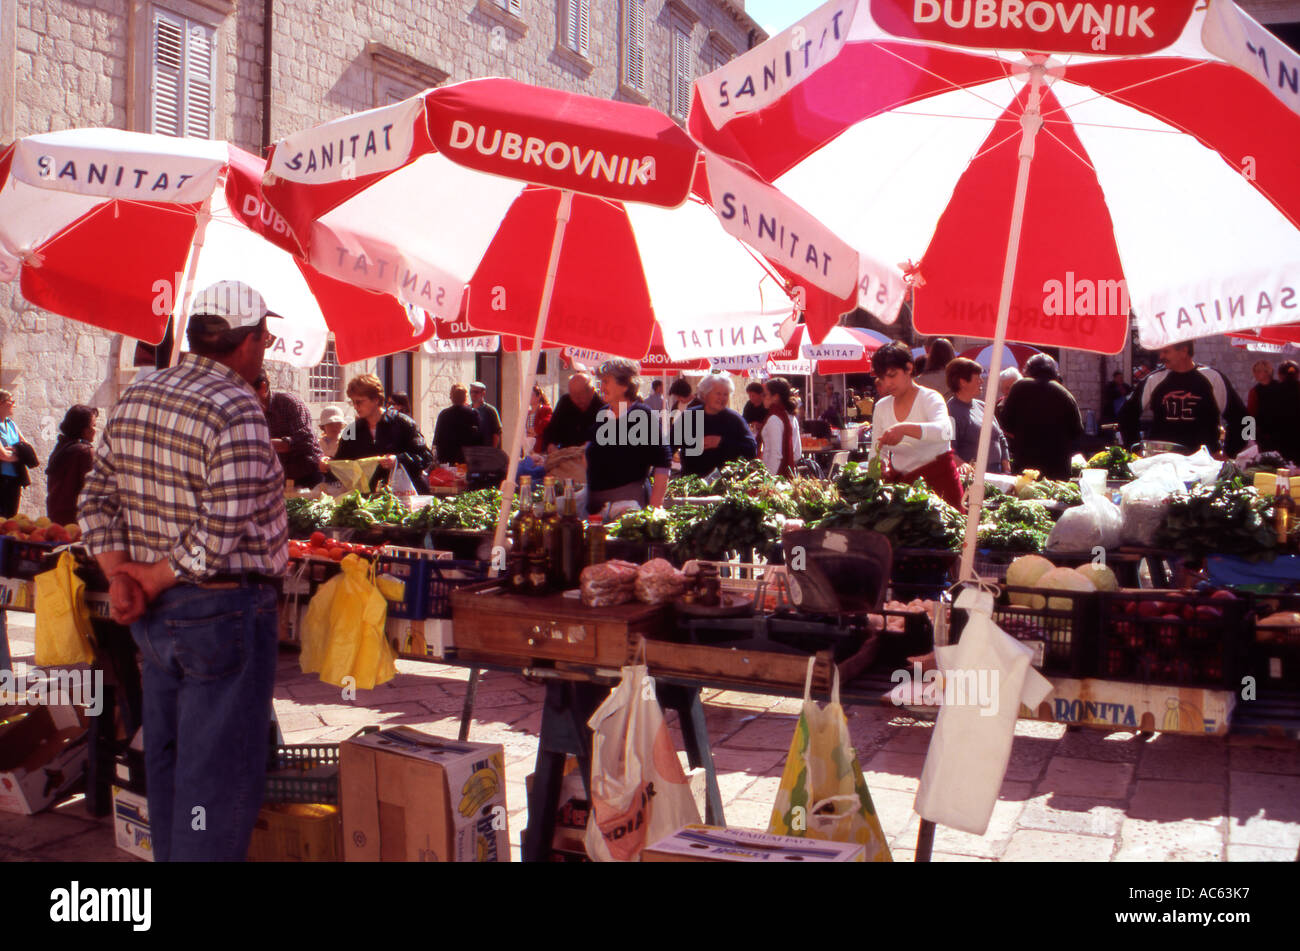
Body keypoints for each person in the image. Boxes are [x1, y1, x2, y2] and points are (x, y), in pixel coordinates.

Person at [78, 280, 287, 862]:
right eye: (265, 336)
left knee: (171, 764)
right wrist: (143, 578)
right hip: (220, 613)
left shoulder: (139, 396)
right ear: (245, 344)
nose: (266, 346)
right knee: (213, 778)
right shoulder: (238, 406)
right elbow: (217, 534)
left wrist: (122, 572)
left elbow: (95, 501)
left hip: (160, 622)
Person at [868, 342, 964, 510]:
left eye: (892, 375)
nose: (888, 383)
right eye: (883, 378)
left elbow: (945, 430)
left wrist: (904, 429)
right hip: (902, 491)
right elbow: (877, 448)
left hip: (940, 487)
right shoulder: (882, 406)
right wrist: (879, 465)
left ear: (909, 368)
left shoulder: (930, 398)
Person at [1118, 341, 1247, 457]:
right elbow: (1126, 415)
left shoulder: (1213, 378)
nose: (1161, 357)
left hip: (1203, 465)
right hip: (1162, 464)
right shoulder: (1154, 379)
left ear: (1184, 351)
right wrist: (1134, 449)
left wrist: (1230, 453)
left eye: (1166, 351)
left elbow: (1246, 419)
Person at [585, 359, 670, 513]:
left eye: (606, 382)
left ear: (624, 385)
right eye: (601, 382)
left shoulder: (641, 415)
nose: (601, 387)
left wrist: (655, 508)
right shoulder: (603, 414)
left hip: (627, 505)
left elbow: (663, 462)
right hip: (595, 506)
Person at [331, 373, 435, 493]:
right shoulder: (352, 431)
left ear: (375, 399)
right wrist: (327, 465)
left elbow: (425, 457)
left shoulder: (403, 424)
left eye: (359, 402)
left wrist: (398, 460)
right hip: (368, 501)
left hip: (402, 498)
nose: (355, 406)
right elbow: (341, 464)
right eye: (353, 402)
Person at [1000, 354, 1084, 479]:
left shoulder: (1020, 387)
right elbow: (1077, 431)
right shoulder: (1064, 394)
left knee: (1026, 497)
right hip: (1057, 467)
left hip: (1026, 463)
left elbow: (1005, 422)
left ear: (1028, 370)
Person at [678, 373, 757, 478]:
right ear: (705, 394)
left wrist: (721, 442)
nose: (722, 398)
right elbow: (670, 445)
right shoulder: (690, 416)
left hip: (725, 483)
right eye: (718, 393)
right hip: (692, 481)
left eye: (726, 394)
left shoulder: (735, 419)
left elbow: (751, 449)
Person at [253, 371, 323, 489]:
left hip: (307, 478)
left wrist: (268, 445)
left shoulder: (288, 403)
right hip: (275, 482)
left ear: (263, 387)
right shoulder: (249, 412)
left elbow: (306, 440)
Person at [945, 358, 1010, 476]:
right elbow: (947, 448)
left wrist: (1006, 468)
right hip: (974, 478)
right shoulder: (950, 411)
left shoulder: (983, 406)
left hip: (998, 473)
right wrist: (963, 466)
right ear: (962, 382)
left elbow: (1000, 437)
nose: (981, 381)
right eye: (977, 378)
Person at [45, 405, 99, 526]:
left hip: (56, 519)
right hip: (77, 523)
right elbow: (93, 491)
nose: (96, 430)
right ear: (84, 430)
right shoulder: (85, 452)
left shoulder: (61, 447)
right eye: (93, 426)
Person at [539, 373, 606, 452]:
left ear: (592, 391)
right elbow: (551, 430)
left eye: (581, 394)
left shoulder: (603, 408)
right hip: (565, 456)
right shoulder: (565, 402)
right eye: (573, 395)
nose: (577, 399)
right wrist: (550, 445)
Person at [0, 389, 39, 518]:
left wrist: (13, 450)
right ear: (2, 403)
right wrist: (19, 453)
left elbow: (27, 447)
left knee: (11, 518)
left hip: (15, 479)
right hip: (1, 479)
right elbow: (3, 455)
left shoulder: (11, 424)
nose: (14, 405)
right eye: (12, 401)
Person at [759, 377, 804, 478]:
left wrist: (769, 481)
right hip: (787, 476)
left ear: (775, 397)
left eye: (765, 394)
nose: (762, 398)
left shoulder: (774, 419)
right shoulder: (791, 417)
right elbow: (797, 454)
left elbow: (775, 455)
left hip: (774, 478)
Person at [432, 384, 483, 466]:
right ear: (465, 398)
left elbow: (437, 439)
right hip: (466, 459)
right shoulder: (473, 414)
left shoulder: (444, 414)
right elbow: (479, 438)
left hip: (447, 458)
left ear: (451, 398)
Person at [1246, 361, 1284, 454]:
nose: (1255, 373)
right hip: (1263, 434)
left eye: (1259, 371)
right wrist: (1248, 436)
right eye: (1254, 371)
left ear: (1268, 372)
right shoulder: (1254, 391)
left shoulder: (1282, 387)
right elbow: (1250, 413)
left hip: (1282, 432)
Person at [469, 381, 502, 449]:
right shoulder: (467, 410)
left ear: (483, 393)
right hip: (470, 452)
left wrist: (492, 451)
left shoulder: (490, 411)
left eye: (476, 392)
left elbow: (496, 432)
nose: (473, 394)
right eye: (471, 392)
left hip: (485, 451)